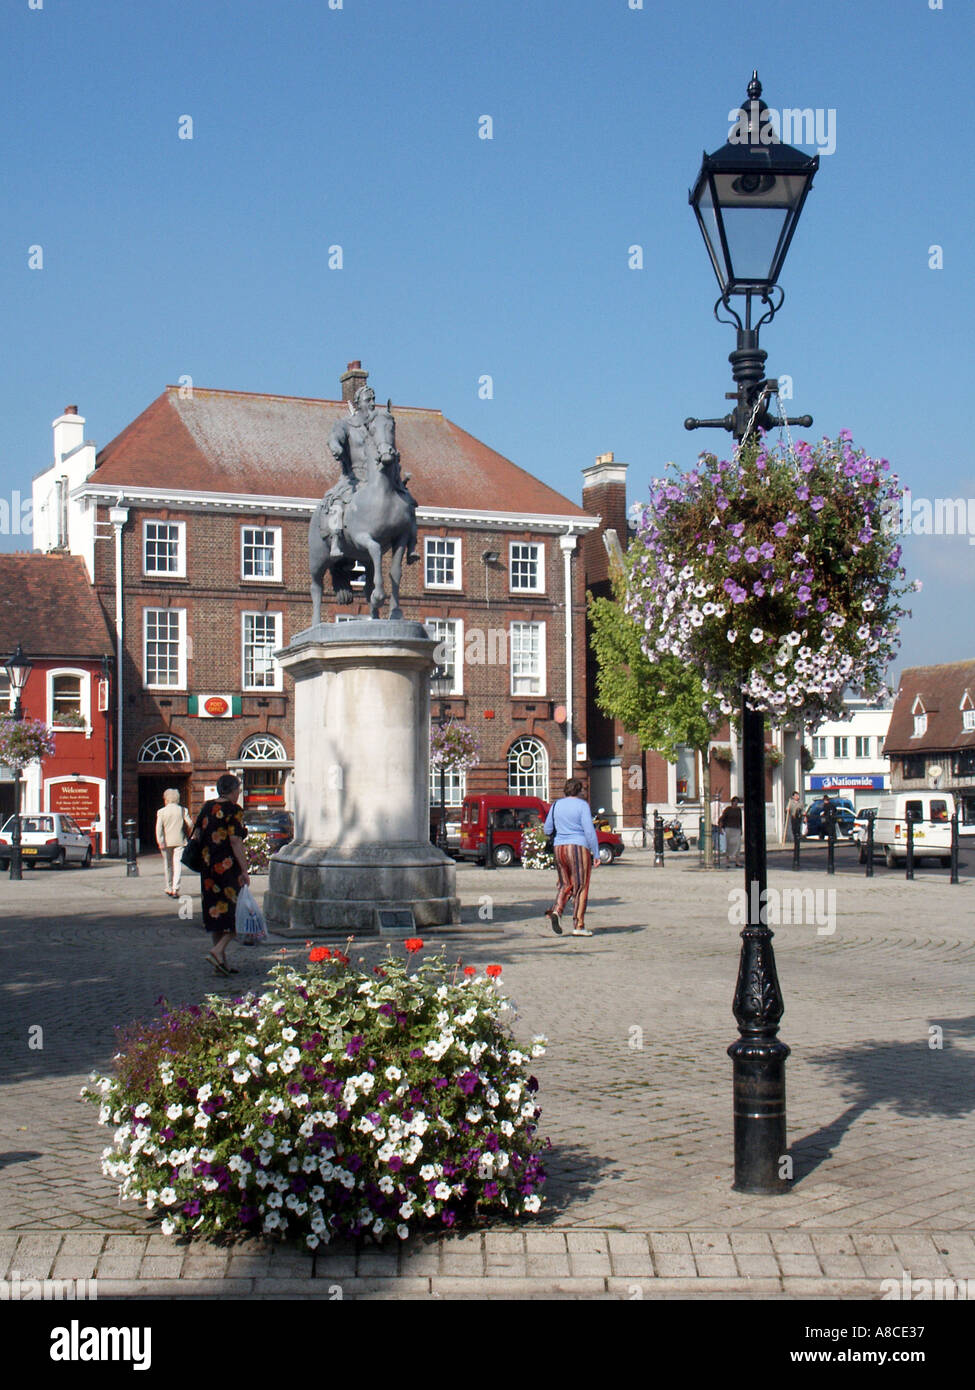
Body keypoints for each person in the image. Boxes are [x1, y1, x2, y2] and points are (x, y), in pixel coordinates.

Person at [189, 773, 250, 976]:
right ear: (233, 790)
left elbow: (196, 832)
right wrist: (244, 868)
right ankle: (218, 950)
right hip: (227, 867)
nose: (239, 793)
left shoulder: (207, 807)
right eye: (238, 789)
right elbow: (235, 841)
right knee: (236, 913)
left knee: (215, 913)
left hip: (208, 868)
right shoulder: (234, 810)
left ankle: (220, 964)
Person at [543, 778, 601, 937]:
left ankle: (557, 911)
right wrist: (596, 853)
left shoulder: (556, 805)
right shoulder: (582, 805)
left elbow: (547, 829)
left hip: (559, 847)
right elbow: (589, 831)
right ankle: (579, 924)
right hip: (577, 847)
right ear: (580, 790)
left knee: (565, 883)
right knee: (581, 885)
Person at [155, 788, 193, 898]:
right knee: (177, 865)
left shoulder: (161, 812)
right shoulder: (182, 810)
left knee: (167, 865)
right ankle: (176, 888)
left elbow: (159, 829)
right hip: (180, 840)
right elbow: (190, 824)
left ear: (166, 799)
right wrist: (190, 834)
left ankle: (168, 887)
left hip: (166, 842)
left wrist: (160, 841)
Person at [719, 795, 743, 868]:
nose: (736, 803)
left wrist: (741, 829)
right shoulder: (728, 809)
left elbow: (740, 820)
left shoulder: (739, 810)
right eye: (734, 802)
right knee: (729, 845)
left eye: (737, 802)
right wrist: (720, 827)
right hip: (729, 829)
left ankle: (737, 861)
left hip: (737, 829)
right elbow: (722, 818)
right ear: (732, 802)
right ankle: (727, 862)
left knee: (738, 845)